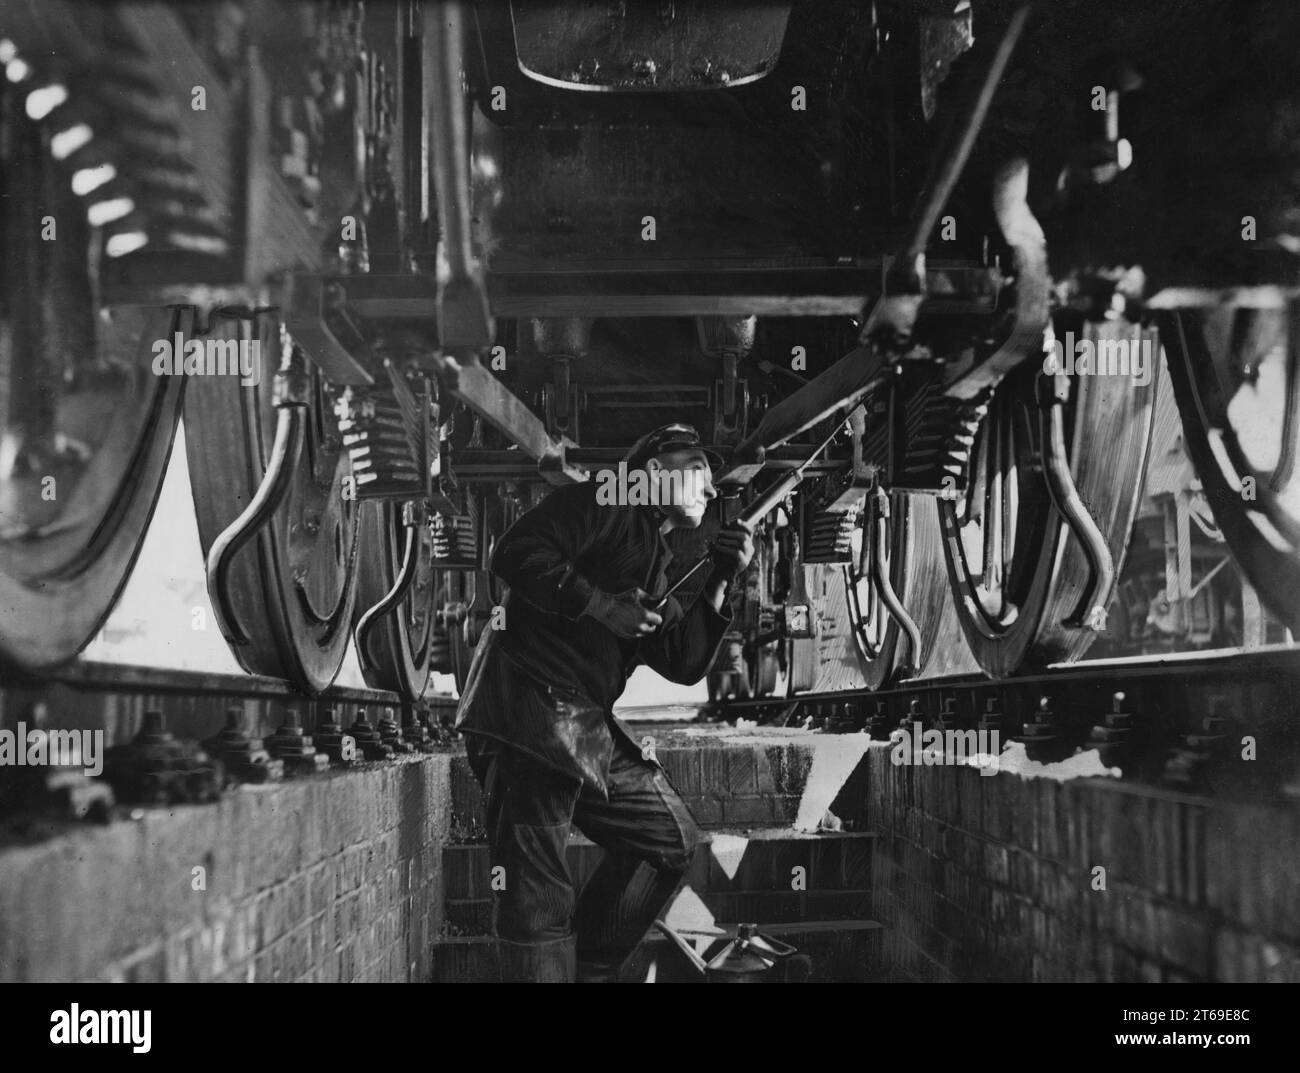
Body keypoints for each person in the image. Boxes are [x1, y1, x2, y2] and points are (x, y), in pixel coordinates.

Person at [454, 423, 755, 982]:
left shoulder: (654, 555)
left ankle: (584, 971)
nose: (712, 492)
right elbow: (514, 553)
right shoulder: (604, 499)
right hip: (524, 707)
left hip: (579, 724)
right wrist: (599, 605)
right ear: (653, 468)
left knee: (668, 841)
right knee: (536, 902)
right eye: (698, 469)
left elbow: (684, 664)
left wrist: (720, 577)